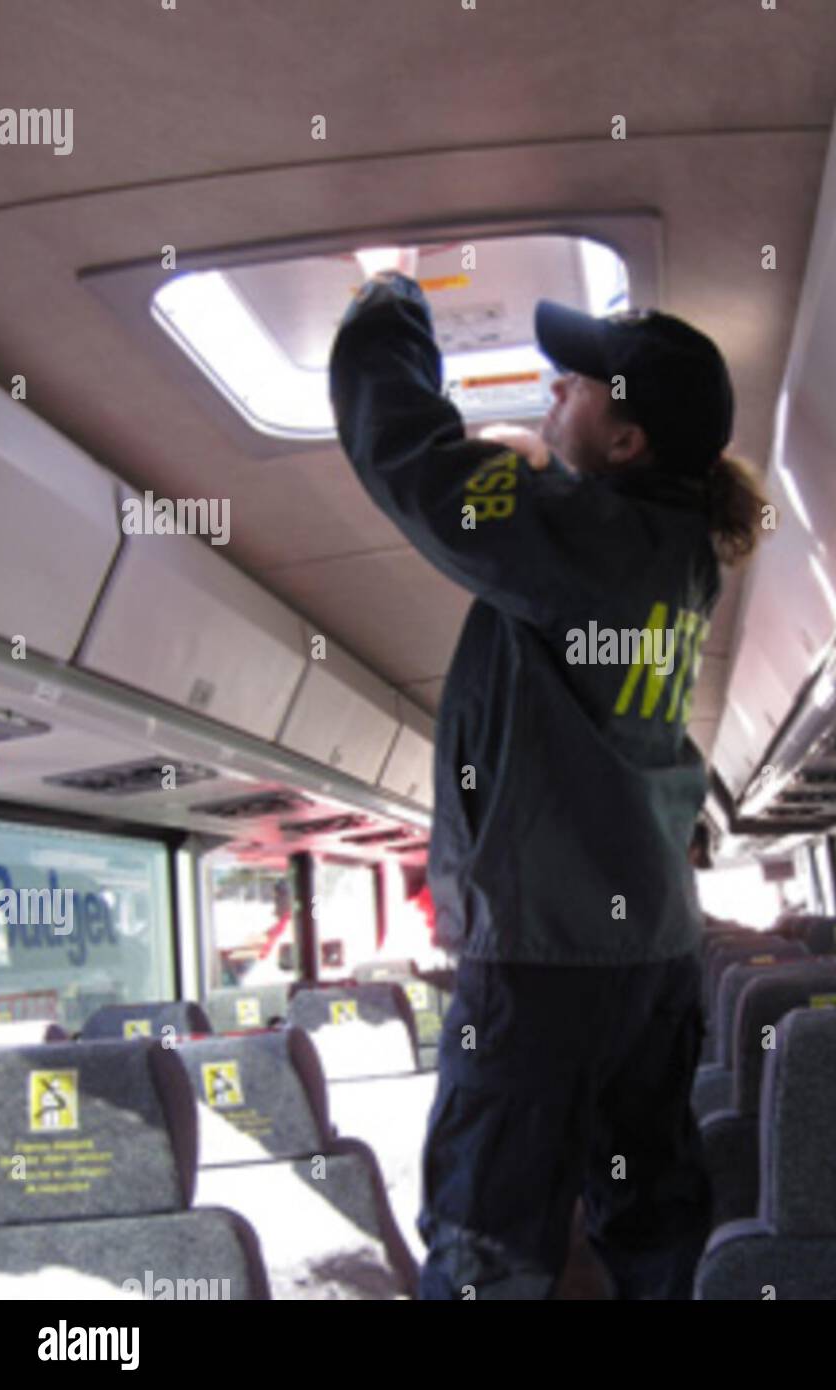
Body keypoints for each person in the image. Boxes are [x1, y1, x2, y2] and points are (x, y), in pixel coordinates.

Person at [329, 273, 766, 1300]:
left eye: (578, 380)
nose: (553, 382)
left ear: (627, 442)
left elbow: (413, 458)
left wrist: (385, 303)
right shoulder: (670, 550)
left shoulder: (588, 540)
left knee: (490, 1238)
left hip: (547, 958)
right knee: (649, 1215)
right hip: (648, 948)